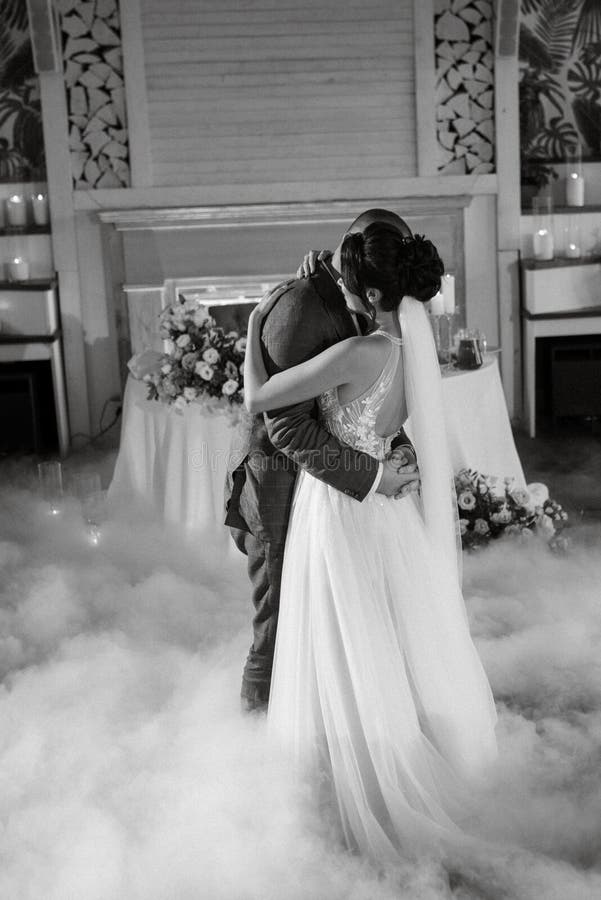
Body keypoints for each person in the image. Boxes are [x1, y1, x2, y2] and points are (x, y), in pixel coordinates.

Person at [243, 222, 498, 865]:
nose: (347, 291)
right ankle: (385, 762)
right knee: (378, 635)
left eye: (353, 283)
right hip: (388, 511)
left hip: (337, 508)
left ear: (375, 294)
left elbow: (260, 398)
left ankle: (350, 784)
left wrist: (253, 323)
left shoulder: (361, 353)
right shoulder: (416, 354)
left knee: (336, 634)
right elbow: (392, 428)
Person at [225, 209, 420, 713]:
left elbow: (370, 403)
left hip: (343, 492)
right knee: (276, 626)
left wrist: (396, 448)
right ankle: (255, 736)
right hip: (282, 485)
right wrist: (375, 475)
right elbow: (283, 424)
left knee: (347, 623)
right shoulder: (299, 306)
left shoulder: (367, 315)